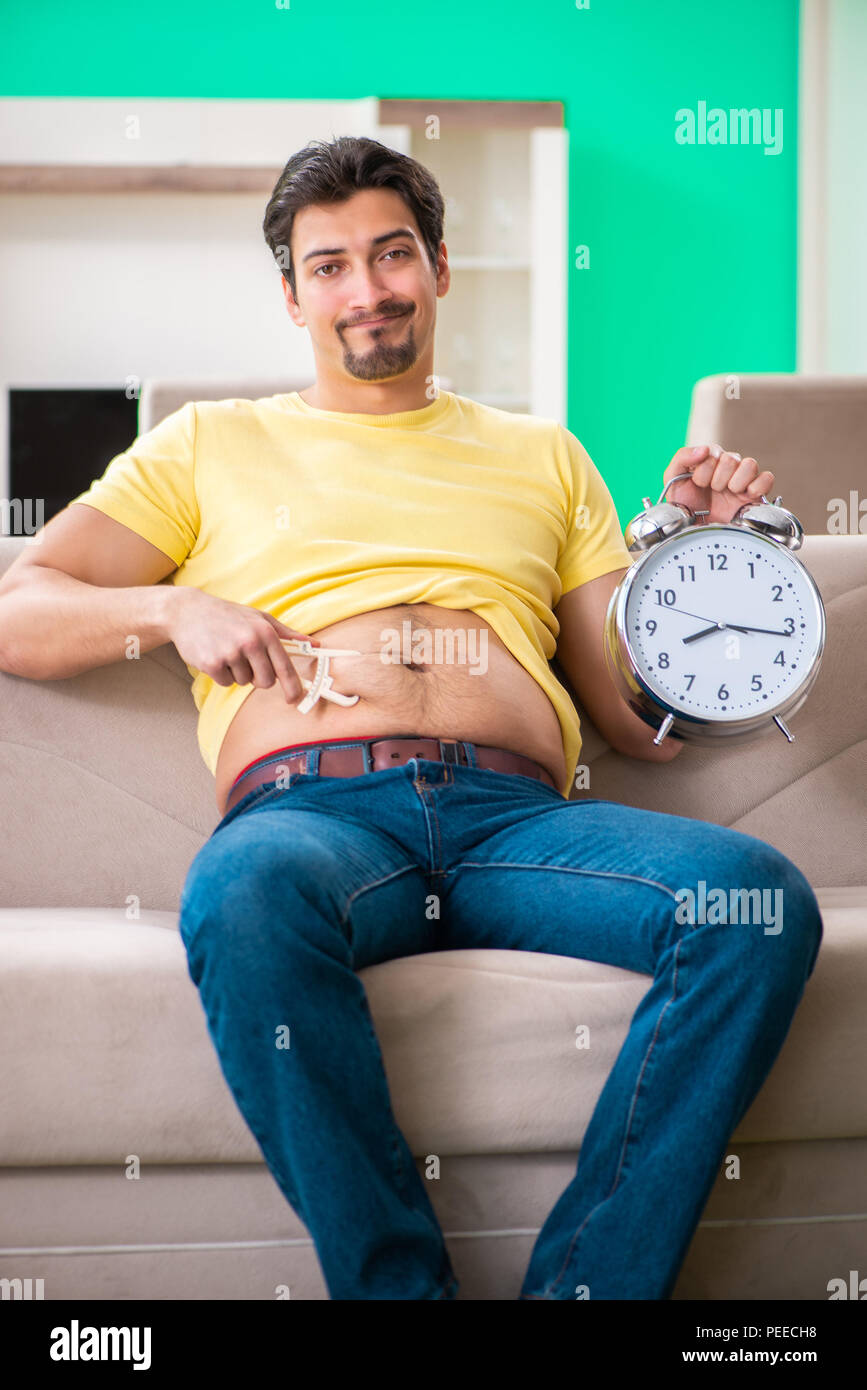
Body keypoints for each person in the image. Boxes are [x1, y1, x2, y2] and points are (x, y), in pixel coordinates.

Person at [0, 135, 822, 1301]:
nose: (367, 289)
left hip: (518, 823)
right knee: (240, 895)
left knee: (754, 905)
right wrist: (171, 607)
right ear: (292, 296)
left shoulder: (545, 455)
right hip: (316, 820)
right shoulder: (209, 444)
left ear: (439, 265)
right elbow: (17, 605)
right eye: (328, 265)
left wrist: (697, 552)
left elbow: (638, 722)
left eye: (391, 255)